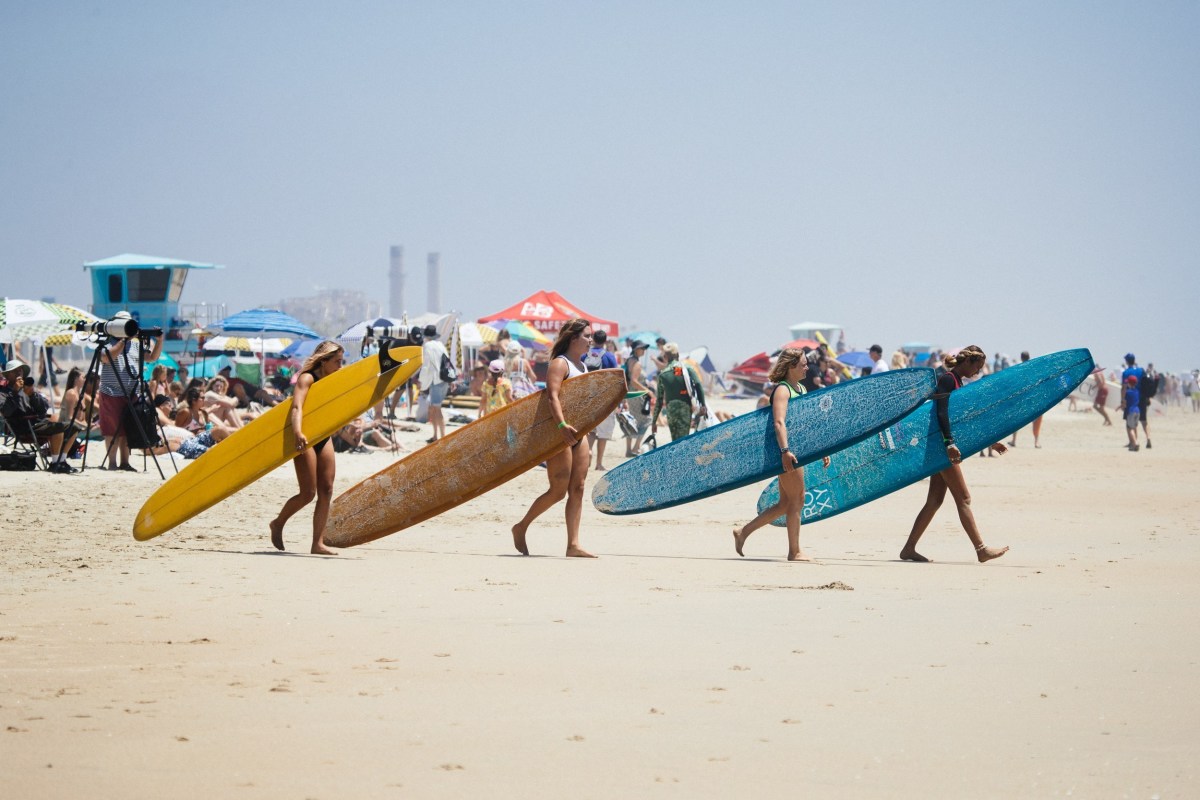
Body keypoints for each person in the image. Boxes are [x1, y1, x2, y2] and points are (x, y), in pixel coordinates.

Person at [899, 345, 1009, 563]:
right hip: (942, 447)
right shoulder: (948, 380)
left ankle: (909, 548)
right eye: (977, 367)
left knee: (935, 500)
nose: (977, 372)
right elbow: (941, 412)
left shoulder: (958, 382)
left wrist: (991, 441)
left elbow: (964, 420)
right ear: (967, 362)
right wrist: (948, 443)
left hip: (942, 446)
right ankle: (981, 549)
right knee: (964, 498)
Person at [511, 318, 597, 559]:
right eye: (587, 336)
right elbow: (552, 397)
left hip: (579, 432)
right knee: (559, 490)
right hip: (558, 432)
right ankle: (522, 526)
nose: (591, 341)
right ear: (573, 338)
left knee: (578, 488)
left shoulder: (583, 366)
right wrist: (561, 425)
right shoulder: (560, 364)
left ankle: (573, 545)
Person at [732, 349, 830, 561]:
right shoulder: (783, 391)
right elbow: (779, 422)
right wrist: (785, 452)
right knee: (798, 499)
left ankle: (743, 533)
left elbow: (806, 424)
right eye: (803, 364)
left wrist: (821, 448)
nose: (807, 367)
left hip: (797, 450)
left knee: (786, 503)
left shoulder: (801, 388)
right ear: (790, 367)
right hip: (787, 451)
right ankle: (794, 552)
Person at [269, 341, 344, 555]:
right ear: (324, 361)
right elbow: (297, 406)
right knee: (308, 492)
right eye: (337, 361)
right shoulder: (307, 378)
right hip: (304, 436)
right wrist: (298, 432)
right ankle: (278, 522)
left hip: (323, 436)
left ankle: (317, 543)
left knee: (327, 490)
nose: (341, 366)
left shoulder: (334, 381)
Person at [97, 312, 164, 471]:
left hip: (132, 392)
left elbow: (152, 357)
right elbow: (107, 358)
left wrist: (159, 340)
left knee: (128, 428)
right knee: (112, 430)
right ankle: (112, 463)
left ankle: (125, 463)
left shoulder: (135, 344)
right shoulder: (107, 343)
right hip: (111, 392)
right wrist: (123, 340)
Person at [0, 359, 80, 474]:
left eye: (20, 370)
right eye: (15, 371)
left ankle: (61, 461)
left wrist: (32, 395)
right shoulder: (3, 393)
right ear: (7, 375)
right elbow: (6, 411)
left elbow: (43, 408)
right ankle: (55, 463)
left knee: (74, 427)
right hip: (24, 428)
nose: (19, 373)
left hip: (37, 424)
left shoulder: (27, 388)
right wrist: (15, 392)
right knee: (58, 428)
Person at [651, 343, 707, 442]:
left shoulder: (663, 374)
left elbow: (659, 401)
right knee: (684, 439)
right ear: (678, 355)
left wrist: (654, 421)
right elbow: (698, 384)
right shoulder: (687, 369)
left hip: (670, 410)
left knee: (675, 440)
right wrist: (703, 404)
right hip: (684, 408)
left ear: (665, 357)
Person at [583, 330, 619, 470]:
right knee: (603, 433)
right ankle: (599, 463)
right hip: (605, 399)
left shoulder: (584, 355)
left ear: (592, 339)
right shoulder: (609, 357)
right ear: (605, 341)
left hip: (588, 398)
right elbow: (616, 378)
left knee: (591, 431)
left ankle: (588, 452)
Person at [418, 324, 449, 444]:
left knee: (436, 408)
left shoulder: (427, 346)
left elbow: (426, 366)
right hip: (444, 379)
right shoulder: (440, 345)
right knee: (435, 408)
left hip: (435, 380)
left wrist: (422, 383)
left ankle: (442, 437)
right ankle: (436, 436)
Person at [623, 341, 653, 456]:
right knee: (646, 420)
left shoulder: (629, 360)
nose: (644, 351)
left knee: (632, 421)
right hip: (636, 394)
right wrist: (647, 391)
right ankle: (636, 447)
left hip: (630, 394)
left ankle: (629, 449)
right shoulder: (636, 363)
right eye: (642, 349)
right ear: (636, 349)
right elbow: (634, 381)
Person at [1009, 351, 1044, 447]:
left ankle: (1014, 440)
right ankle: (1036, 442)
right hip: (1034, 396)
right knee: (1037, 420)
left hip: (1022, 397)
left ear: (1021, 358)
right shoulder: (1034, 368)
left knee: (1016, 419)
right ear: (1029, 357)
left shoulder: (1019, 369)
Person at [1121, 353, 1152, 449]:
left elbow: (1124, 387)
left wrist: (1122, 400)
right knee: (1143, 421)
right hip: (1141, 398)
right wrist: (1148, 396)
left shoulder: (1126, 372)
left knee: (1130, 422)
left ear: (1126, 361)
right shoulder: (1141, 370)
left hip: (1131, 399)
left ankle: (1133, 441)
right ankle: (1148, 438)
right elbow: (1146, 384)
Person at [1118, 375, 1141, 451]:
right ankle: (1133, 444)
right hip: (1137, 411)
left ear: (1129, 384)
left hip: (1131, 411)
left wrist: (1121, 406)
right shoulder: (1137, 391)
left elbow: (1125, 402)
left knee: (1129, 428)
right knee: (1134, 427)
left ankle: (1135, 443)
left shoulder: (1128, 392)